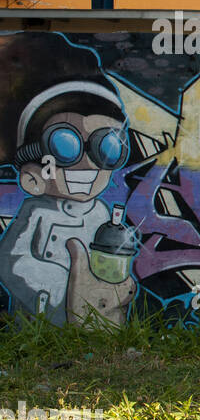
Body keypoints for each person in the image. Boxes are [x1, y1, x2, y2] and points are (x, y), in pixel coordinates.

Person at [0, 34, 136, 325]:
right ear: (33, 170)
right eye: (65, 145)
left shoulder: (100, 214)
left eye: (107, 148)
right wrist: (58, 288)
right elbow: (12, 262)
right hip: (43, 321)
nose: (87, 163)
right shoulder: (36, 213)